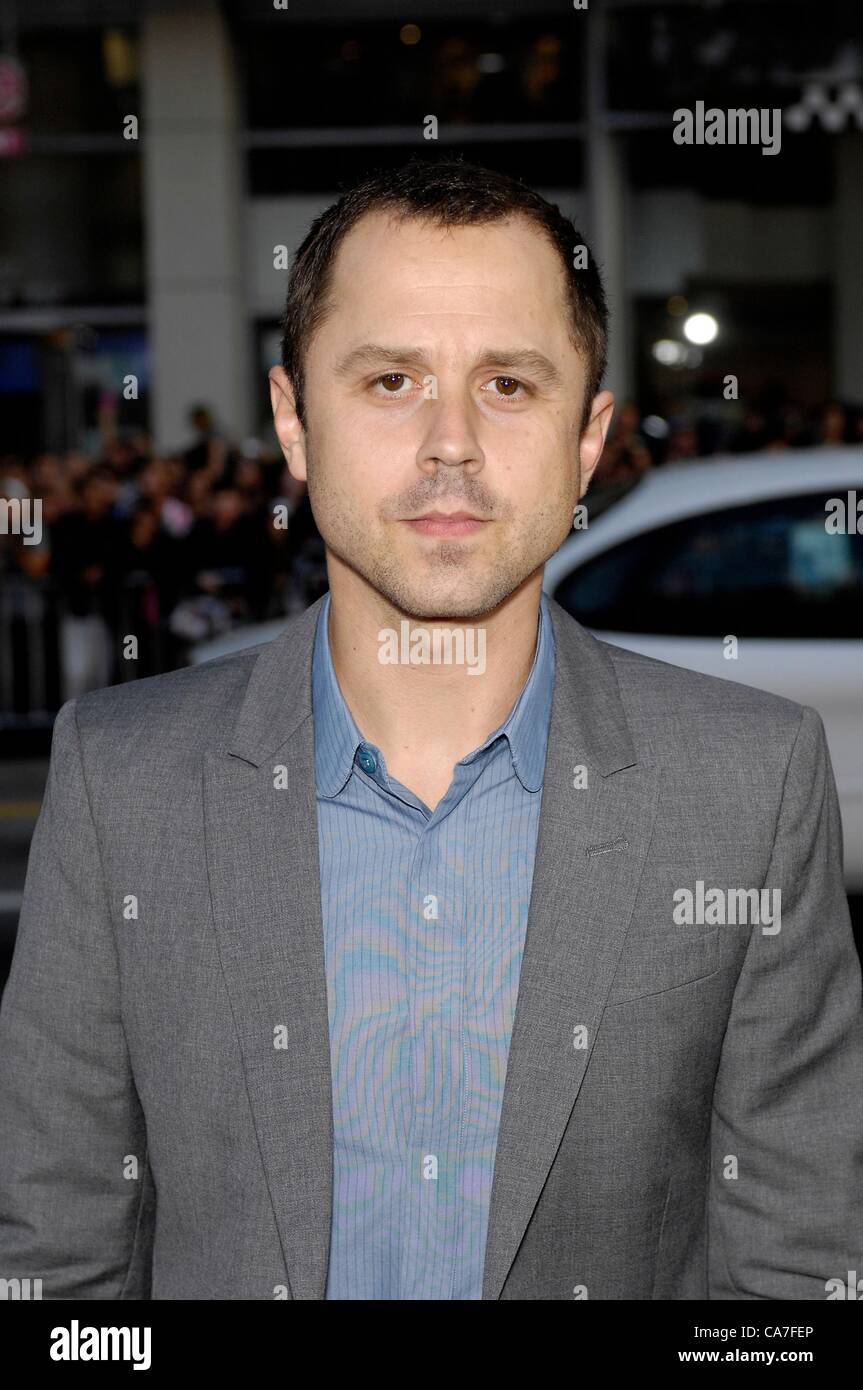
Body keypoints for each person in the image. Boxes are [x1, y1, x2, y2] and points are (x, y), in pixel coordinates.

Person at [0, 158, 860, 1301]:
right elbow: (58, 1269)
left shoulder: (751, 784)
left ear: (587, 439)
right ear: (293, 422)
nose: (449, 441)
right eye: (391, 379)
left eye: (508, 385)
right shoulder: (119, 778)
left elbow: (791, 1279)